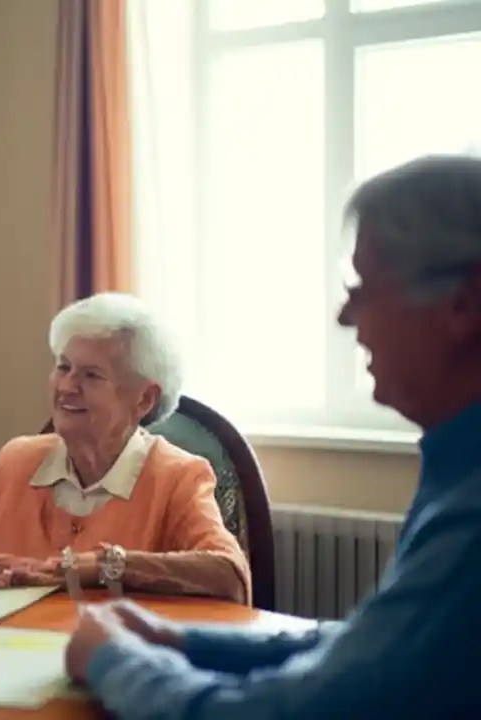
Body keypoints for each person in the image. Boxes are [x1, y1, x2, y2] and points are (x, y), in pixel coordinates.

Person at [65, 155, 481, 717]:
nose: (345, 316)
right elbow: (365, 647)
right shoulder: (457, 468)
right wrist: (181, 640)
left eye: (364, 289)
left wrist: (113, 660)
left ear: (463, 304)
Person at [0, 293, 249, 603]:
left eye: (91, 375)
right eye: (63, 368)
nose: (66, 386)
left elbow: (230, 574)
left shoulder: (176, 476)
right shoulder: (19, 461)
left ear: (144, 399)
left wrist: (97, 567)